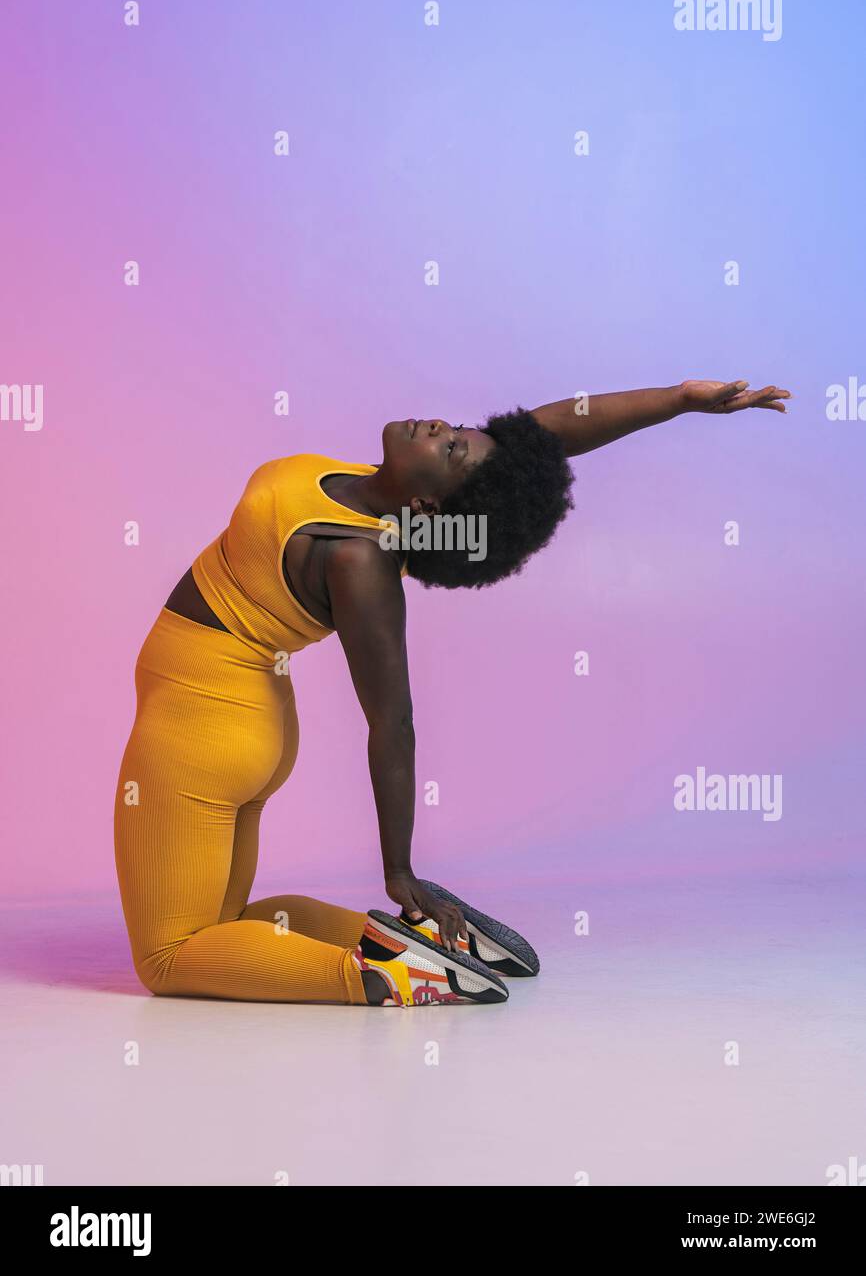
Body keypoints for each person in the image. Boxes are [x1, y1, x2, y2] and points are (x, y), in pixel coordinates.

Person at [114, 379, 790, 1007]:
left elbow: (393, 721)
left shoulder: (363, 557)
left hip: (202, 729)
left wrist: (399, 868)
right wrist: (677, 400)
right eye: (458, 432)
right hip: (240, 721)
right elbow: (547, 432)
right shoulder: (382, 503)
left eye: (452, 447)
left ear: (430, 502)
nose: (441, 427)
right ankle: (431, 942)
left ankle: (381, 975)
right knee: (229, 925)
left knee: (170, 956)